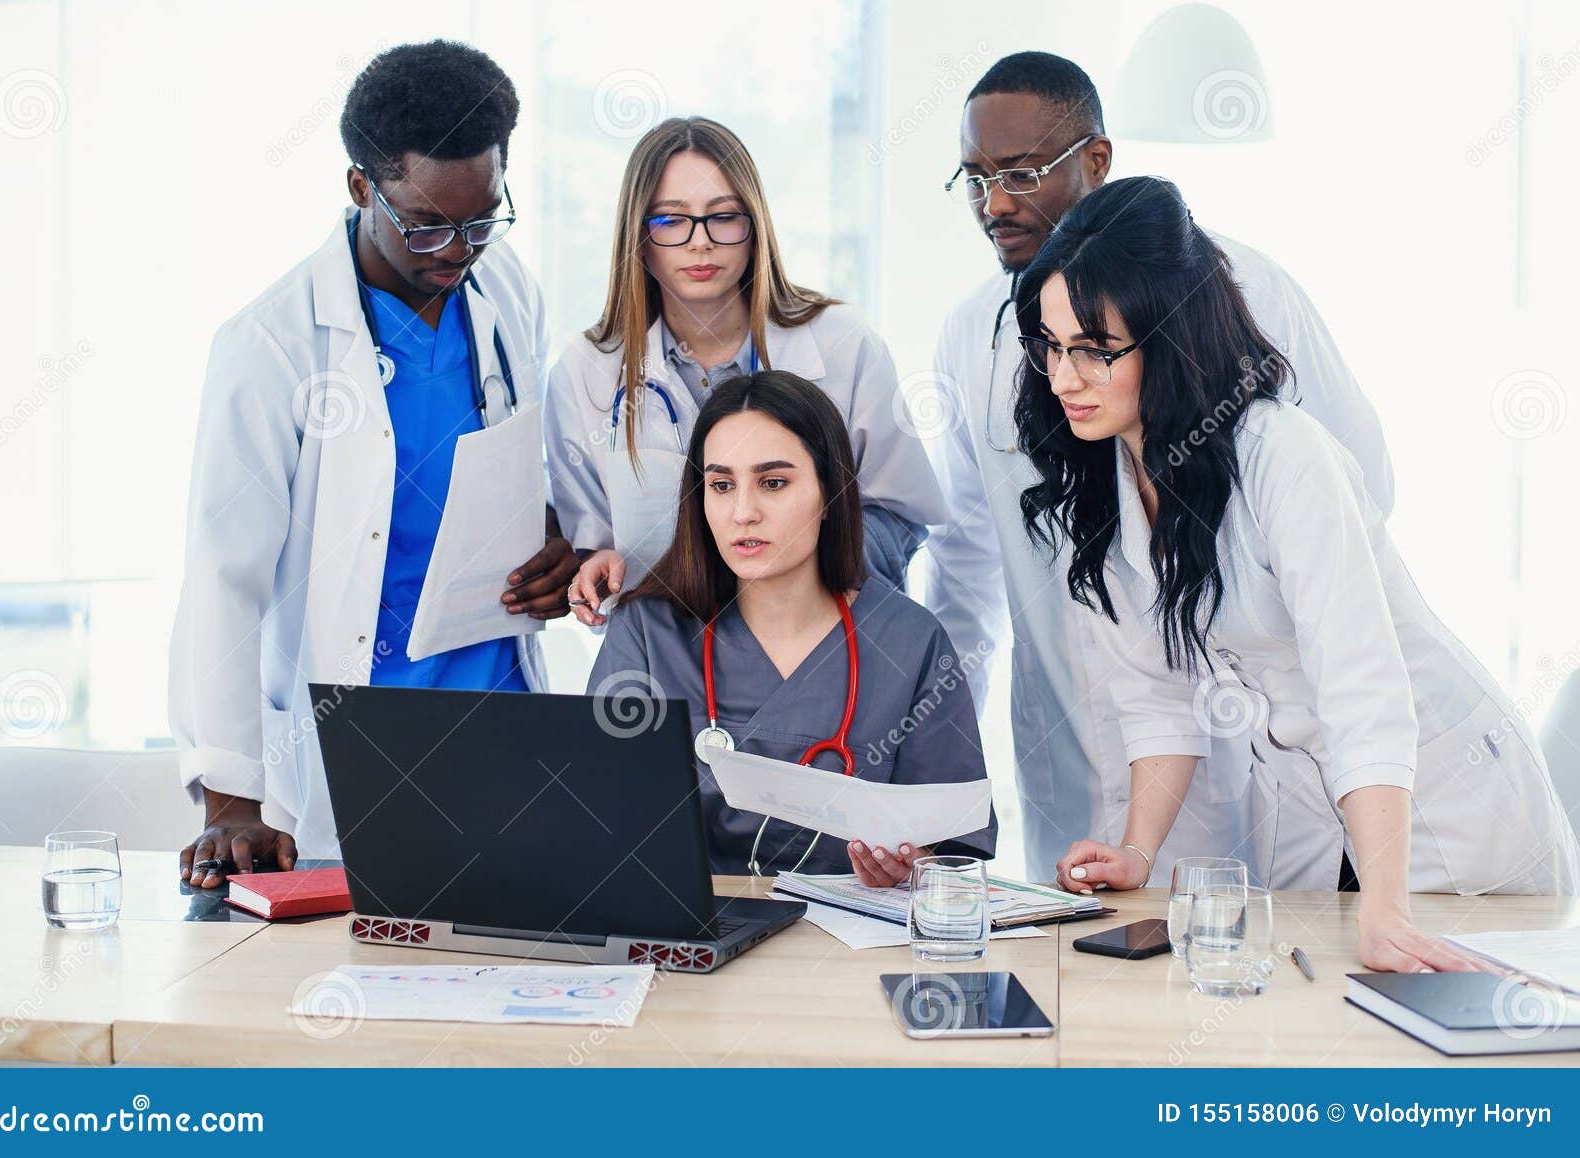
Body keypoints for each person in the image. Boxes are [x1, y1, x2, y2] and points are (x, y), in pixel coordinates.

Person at [1023, 177, 1579, 970]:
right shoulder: (1108, 479)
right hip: (1317, 828)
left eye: (1094, 349)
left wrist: (1385, 906)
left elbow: (1363, 691)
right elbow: (1157, 698)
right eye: (1049, 345)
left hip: (1444, 822)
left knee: (1460, 1029)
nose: (1063, 378)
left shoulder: (1283, 456)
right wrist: (1137, 853)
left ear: (1172, 334)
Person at [924, 51, 1396, 888]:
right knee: (1092, 947)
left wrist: (1244, 632)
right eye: (976, 179)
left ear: (1096, 161)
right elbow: (965, 562)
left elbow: (1355, 492)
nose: (995, 204)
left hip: (1254, 747)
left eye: (1022, 174)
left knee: (1249, 942)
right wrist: (935, 754)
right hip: (1073, 737)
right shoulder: (971, 334)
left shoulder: (1243, 287)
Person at [171, 42, 579, 885]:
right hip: (360, 739)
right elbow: (223, 577)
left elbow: (512, 471)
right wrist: (231, 801)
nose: (457, 249)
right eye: (426, 224)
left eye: (482, 219)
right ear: (361, 187)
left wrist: (551, 542)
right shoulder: (271, 345)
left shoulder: (507, 291)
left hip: (502, 715)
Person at [586, 370, 996, 883]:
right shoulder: (648, 632)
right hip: (688, 925)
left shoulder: (910, 643)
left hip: (854, 928)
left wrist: (913, 867)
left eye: (773, 483)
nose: (743, 513)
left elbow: (955, 851)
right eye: (721, 485)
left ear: (829, 493)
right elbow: (597, 821)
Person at [546, 116, 947, 622]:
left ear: (755, 227)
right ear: (637, 236)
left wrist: (790, 583)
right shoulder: (586, 371)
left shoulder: (842, 344)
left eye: (724, 216)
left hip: (820, 642)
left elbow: (897, 517)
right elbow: (592, 543)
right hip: (666, 649)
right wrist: (596, 566)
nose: (700, 242)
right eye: (670, 220)